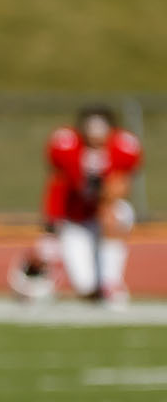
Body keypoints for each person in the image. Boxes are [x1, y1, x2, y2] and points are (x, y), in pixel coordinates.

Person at [44, 106, 142, 306]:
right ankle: (97, 287)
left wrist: (103, 194)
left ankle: (111, 282)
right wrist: (52, 219)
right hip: (76, 218)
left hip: (107, 210)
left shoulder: (122, 146)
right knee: (85, 287)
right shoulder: (67, 145)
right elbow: (57, 183)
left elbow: (120, 188)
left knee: (112, 212)